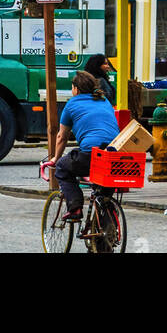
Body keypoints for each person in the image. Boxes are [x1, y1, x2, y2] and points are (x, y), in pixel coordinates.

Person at [51, 70, 120, 223]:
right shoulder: (104, 101)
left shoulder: (72, 104)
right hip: (114, 153)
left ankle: (75, 208)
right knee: (103, 194)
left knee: (62, 167)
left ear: (76, 89)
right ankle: (106, 231)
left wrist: (55, 158)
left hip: (90, 153)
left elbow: (62, 137)